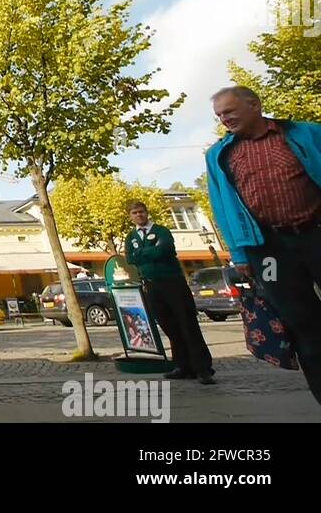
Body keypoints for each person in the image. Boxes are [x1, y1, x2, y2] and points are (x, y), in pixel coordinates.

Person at [205, 86, 321, 403]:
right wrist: (239, 252)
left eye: (229, 111)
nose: (224, 119)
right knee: (300, 321)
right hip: (267, 248)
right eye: (219, 115)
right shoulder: (219, 154)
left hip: (314, 232)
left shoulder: (304, 133)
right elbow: (221, 206)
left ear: (254, 105)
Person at [125, 201, 215, 384]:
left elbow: (165, 250)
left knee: (186, 322)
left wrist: (142, 253)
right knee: (168, 325)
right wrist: (149, 251)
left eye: (141, 211)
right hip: (150, 284)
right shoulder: (131, 237)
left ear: (147, 212)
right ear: (130, 216)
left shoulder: (161, 231)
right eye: (134, 213)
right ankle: (182, 365)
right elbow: (130, 258)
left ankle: (202, 367)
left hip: (172, 282)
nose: (138, 215)